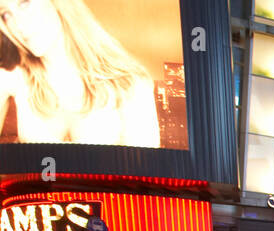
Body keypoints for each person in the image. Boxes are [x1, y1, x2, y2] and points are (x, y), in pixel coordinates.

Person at [0, 0, 162, 148]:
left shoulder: (130, 83)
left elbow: (145, 174)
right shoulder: (12, 77)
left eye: (24, 3)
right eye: (6, 14)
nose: (18, 25)